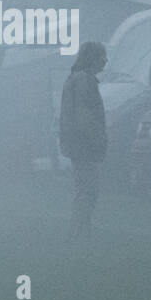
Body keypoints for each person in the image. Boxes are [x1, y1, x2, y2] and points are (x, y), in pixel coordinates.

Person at [58, 41, 107, 240]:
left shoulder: (75, 78)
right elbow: (83, 114)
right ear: (92, 58)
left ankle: (84, 231)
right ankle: (74, 232)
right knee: (88, 189)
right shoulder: (84, 80)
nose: (106, 60)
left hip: (75, 142)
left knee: (85, 187)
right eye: (102, 56)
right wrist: (99, 136)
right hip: (83, 143)